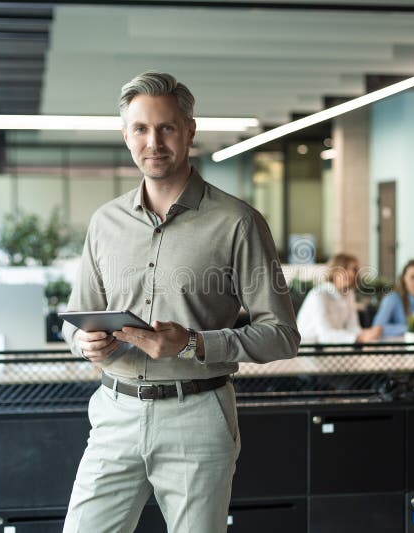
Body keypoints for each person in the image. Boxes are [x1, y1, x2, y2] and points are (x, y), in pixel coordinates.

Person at [61, 71, 300, 533]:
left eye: (167, 127)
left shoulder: (238, 223)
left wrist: (193, 342)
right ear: (125, 135)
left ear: (190, 130)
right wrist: (83, 342)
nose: (154, 141)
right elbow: (75, 319)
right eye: (141, 129)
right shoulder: (105, 222)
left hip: (197, 414)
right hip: (115, 413)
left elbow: (282, 336)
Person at [296, 253, 382, 344]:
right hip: (308, 350)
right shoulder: (318, 295)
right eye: (345, 269)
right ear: (334, 271)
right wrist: (359, 337)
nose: (351, 274)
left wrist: (367, 333)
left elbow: (352, 327)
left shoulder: (349, 294)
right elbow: (325, 335)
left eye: (354, 270)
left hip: (333, 349)